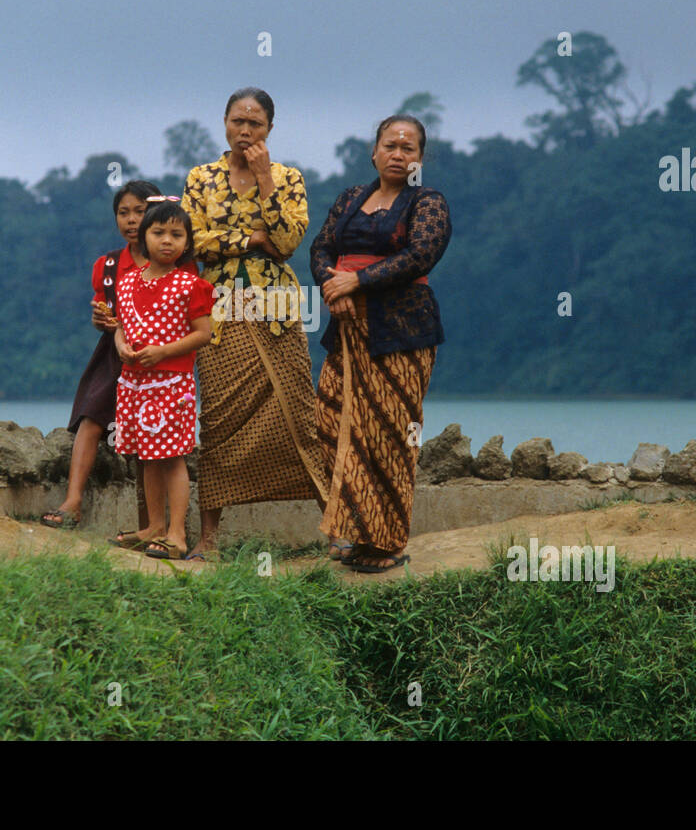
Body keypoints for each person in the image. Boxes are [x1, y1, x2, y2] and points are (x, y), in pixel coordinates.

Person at [180, 87, 330, 559]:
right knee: (220, 419)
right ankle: (209, 538)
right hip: (219, 309)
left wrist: (265, 180)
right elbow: (192, 241)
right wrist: (249, 238)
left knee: (297, 412)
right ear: (224, 122)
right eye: (237, 121)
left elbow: (287, 242)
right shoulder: (201, 178)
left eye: (256, 124)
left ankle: (333, 523)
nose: (245, 131)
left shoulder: (287, 178)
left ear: (270, 129)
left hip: (276, 310)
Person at [311, 114, 451, 573]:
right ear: (374, 151)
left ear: (420, 159)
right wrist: (334, 286)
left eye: (408, 148)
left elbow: (419, 255)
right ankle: (354, 530)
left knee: (391, 433)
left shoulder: (428, 202)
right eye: (390, 145)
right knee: (332, 422)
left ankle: (388, 542)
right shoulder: (351, 198)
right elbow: (320, 249)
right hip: (347, 329)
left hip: (402, 332)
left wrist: (359, 282)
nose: (398, 154)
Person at [42, 182, 196, 529]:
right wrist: (103, 322)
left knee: (151, 441)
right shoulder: (109, 266)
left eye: (140, 212)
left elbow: (193, 322)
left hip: (160, 361)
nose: (131, 220)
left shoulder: (178, 267)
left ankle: (154, 525)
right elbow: (107, 315)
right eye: (123, 212)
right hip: (116, 353)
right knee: (91, 417)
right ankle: (73, 501)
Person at [109, 198, 214, 559]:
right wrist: (121, 344)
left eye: (176, 234)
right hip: (134, 383)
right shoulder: (125, 283)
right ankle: (154, 527)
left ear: (187, 242)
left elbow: (203, 334)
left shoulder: (191, 284)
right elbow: (121, 327)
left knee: (172, 458)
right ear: (143, 237)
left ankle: (177, 534)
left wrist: (164, 352)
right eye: (159, 233)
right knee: (146, 457)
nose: (167, 241)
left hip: (171, 384)